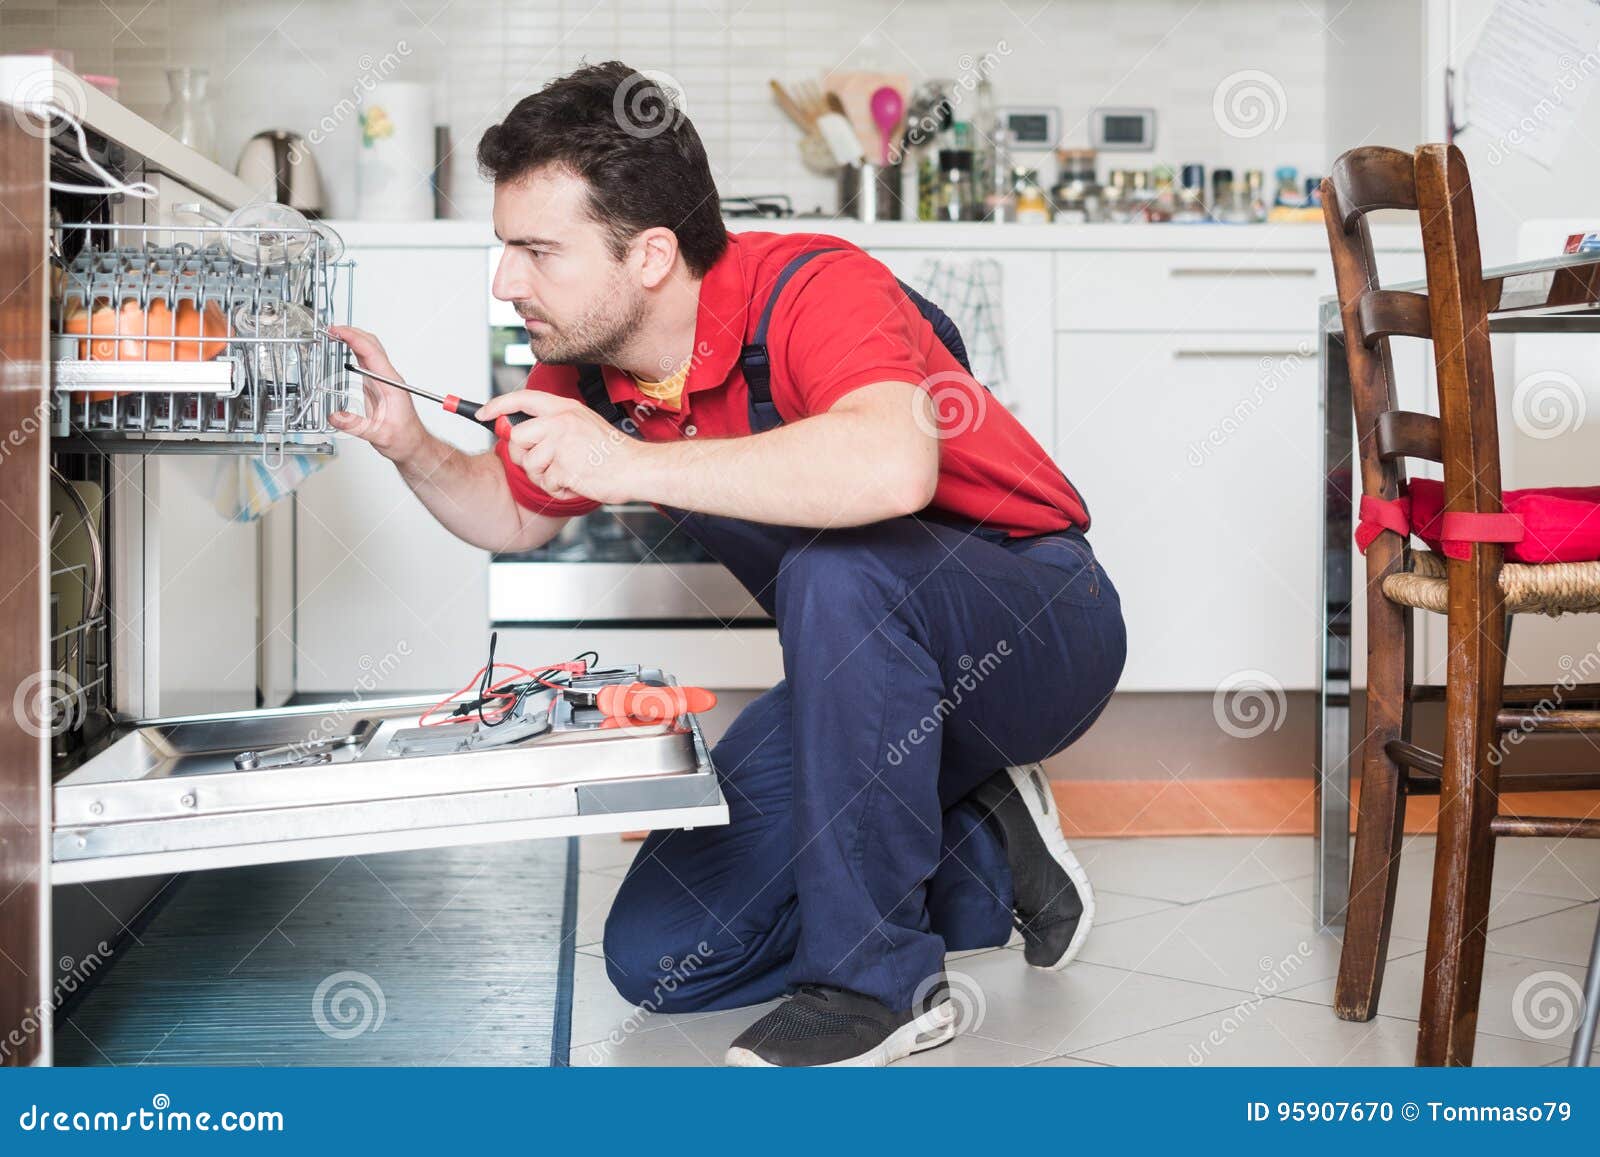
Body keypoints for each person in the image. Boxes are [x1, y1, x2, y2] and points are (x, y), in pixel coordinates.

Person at [330, 61, 1127, 1067]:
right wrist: (411, 443)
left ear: (651, 253)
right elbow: (514, 514)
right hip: (865, 685)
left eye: (537, 251)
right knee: (662, 955)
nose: (506, 281)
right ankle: (975, 847)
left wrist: (625, 457)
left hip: (1034, 623)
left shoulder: (813, 285)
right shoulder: (589, 358)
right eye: (504, 248)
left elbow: (889, 463)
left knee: (841, 571)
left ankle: (876, 986)